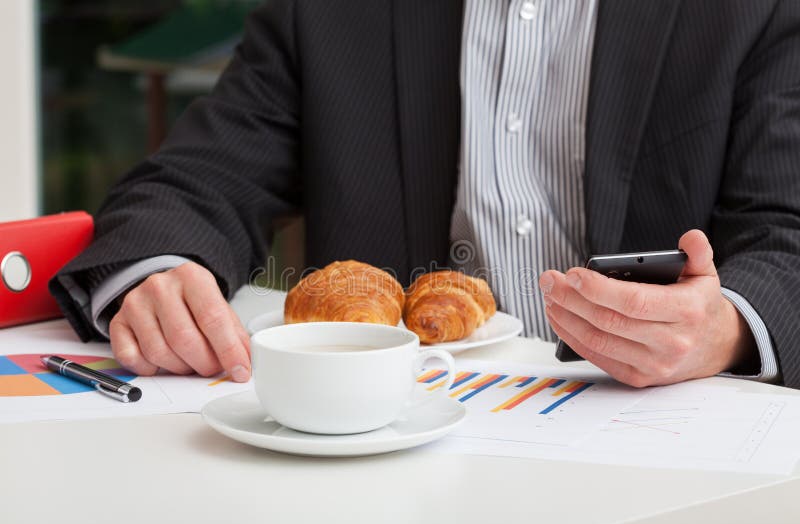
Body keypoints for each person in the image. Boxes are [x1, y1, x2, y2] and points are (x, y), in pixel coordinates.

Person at [50, 1, 800, 389]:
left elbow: (788, 234)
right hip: (391, 456)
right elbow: (201, 176)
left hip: (657, 453)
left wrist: (725, 326)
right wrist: (157, 269)